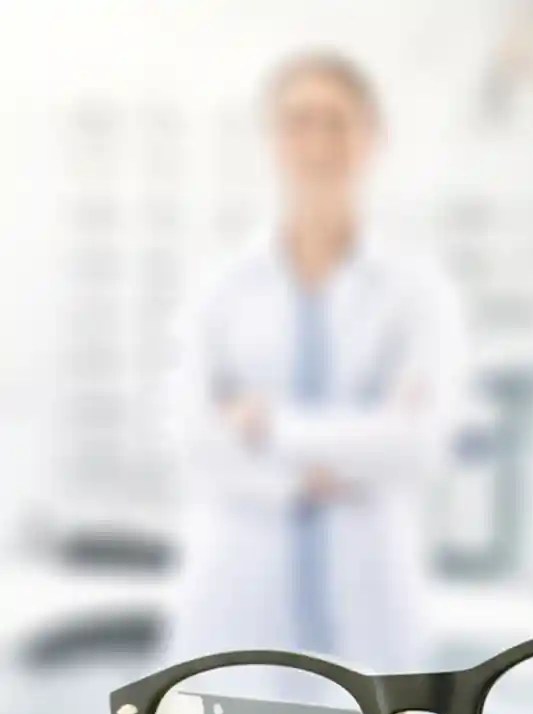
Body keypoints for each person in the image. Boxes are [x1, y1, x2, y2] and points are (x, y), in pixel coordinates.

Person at [165, 51, 466, 677]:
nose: (318, 143)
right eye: (299, 122)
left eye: (337, 122)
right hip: (236, 601)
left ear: (373, 138)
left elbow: (415, 444)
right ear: (273, 140)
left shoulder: (416, 293)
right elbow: (194, 437)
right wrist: (322, 473)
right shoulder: (220, 288)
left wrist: (271, 428)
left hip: (370, 607)